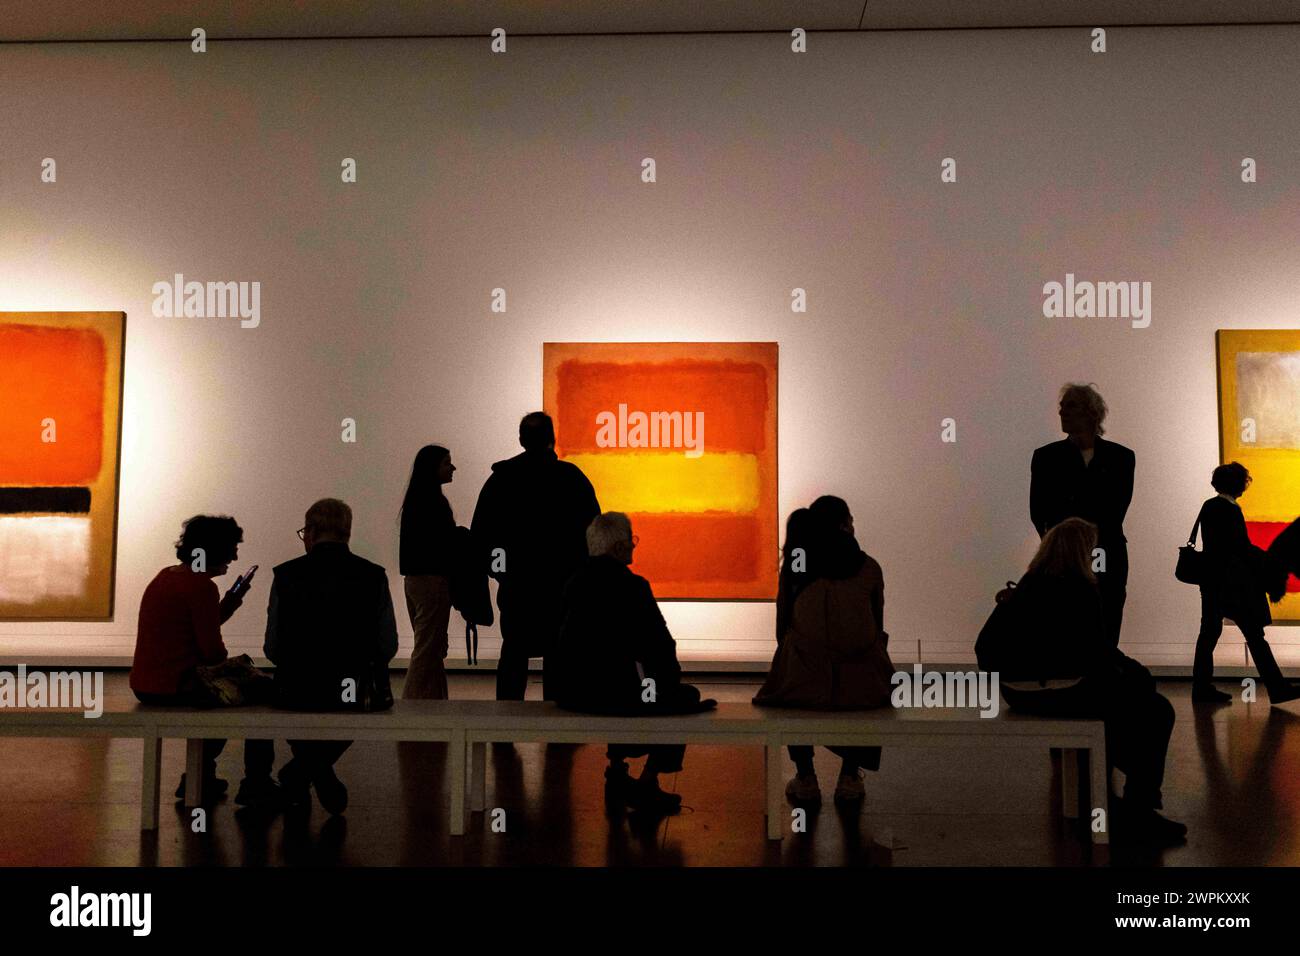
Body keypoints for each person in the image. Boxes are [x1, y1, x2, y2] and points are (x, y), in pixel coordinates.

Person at [979, 517, 1186, 846]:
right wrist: (1135, 674)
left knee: (1118, 709)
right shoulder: (1081, 590)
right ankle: (1138, 806)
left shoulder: (1023, 587)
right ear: (1082, 551)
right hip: (1067, 691)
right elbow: (1097, 653)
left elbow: (985, 649)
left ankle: (1110, 801)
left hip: (1018, 694)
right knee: (1157, 710)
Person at [553, 512, 713, 815]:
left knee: (624, 685)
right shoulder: (633, 586)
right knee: (681, 697)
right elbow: (659, 646)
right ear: (617, 548)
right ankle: (647, 782)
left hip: (571, 693)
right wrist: (669, 681)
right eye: (631, 541)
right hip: (610, 695)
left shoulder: (573, 583)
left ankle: (617, 769)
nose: (634, 547)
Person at [755, 497, 894, 808]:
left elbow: (782, 628)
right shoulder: (869, 568)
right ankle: (849, 776)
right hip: (862, 690)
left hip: (801, 685)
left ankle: (805, 776)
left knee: (789, 675)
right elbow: (876, 628)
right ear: (845, 525)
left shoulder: (797, 566)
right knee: (870, 668)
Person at [130, 515, 277, 806]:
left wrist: (230, 602)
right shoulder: (201, 587)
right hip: (176, 684)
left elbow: (195, 628)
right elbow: (212, 652)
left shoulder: (168, 575)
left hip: (147, 683)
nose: (235, 555)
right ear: (216, 548)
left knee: (226, 699)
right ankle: (256, 782)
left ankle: (201, 776)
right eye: (232, 547)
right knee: (262, 698)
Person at [264, 498, 399, 814]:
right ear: (347, 533)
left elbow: (273, 648)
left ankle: (303, 771)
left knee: (297, 701)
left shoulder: (286, 575)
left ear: (310, 531)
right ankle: (310, 771)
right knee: (352, 707)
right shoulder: (373, 575)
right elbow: (387, 644)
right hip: (357, 690)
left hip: (296, 687)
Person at [471, 411, 600, 700]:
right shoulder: (571, 479)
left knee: (514, 651)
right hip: (562, 585)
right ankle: (557, 727)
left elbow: (483, 535)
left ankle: (505, 724)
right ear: (552, 439)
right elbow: (592, 532)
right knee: (559, 653)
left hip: (518, 585)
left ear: (521, 440)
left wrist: (501, 571)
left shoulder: (501, 480)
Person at [1030, 383, 1134, 647]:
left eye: (1070, 406)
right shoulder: (1046, 457)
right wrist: (1058, 544)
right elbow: (1038, 510)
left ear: (1091, 413)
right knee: (1063, 620)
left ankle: (1103, 675)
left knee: (1108, 615)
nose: (1062, 412)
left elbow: (1116, 509)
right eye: (1062, 407)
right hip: (1064, 551)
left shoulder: (1121, 457)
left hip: (1105, 548)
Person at [1191, 463, 1300, 705]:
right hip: (1233, 586)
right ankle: (1277, 687)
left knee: (1208, 634)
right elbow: (1240, 547)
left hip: (1212, 583)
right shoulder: (1229, 509)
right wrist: (1270, 559)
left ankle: (1201, 688)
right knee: (1254, 636)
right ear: (1238, 483)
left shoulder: (1210, 506)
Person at [399, 444, 457, 700]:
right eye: (447, 462)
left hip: (414, 580)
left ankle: (434, 704)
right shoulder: (435, 502)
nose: (452, 467)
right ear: (433, 468)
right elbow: (446, 545)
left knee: (429, 647)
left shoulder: (414, 501)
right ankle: (411, 708)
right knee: (427, 650)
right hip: (432, 581)